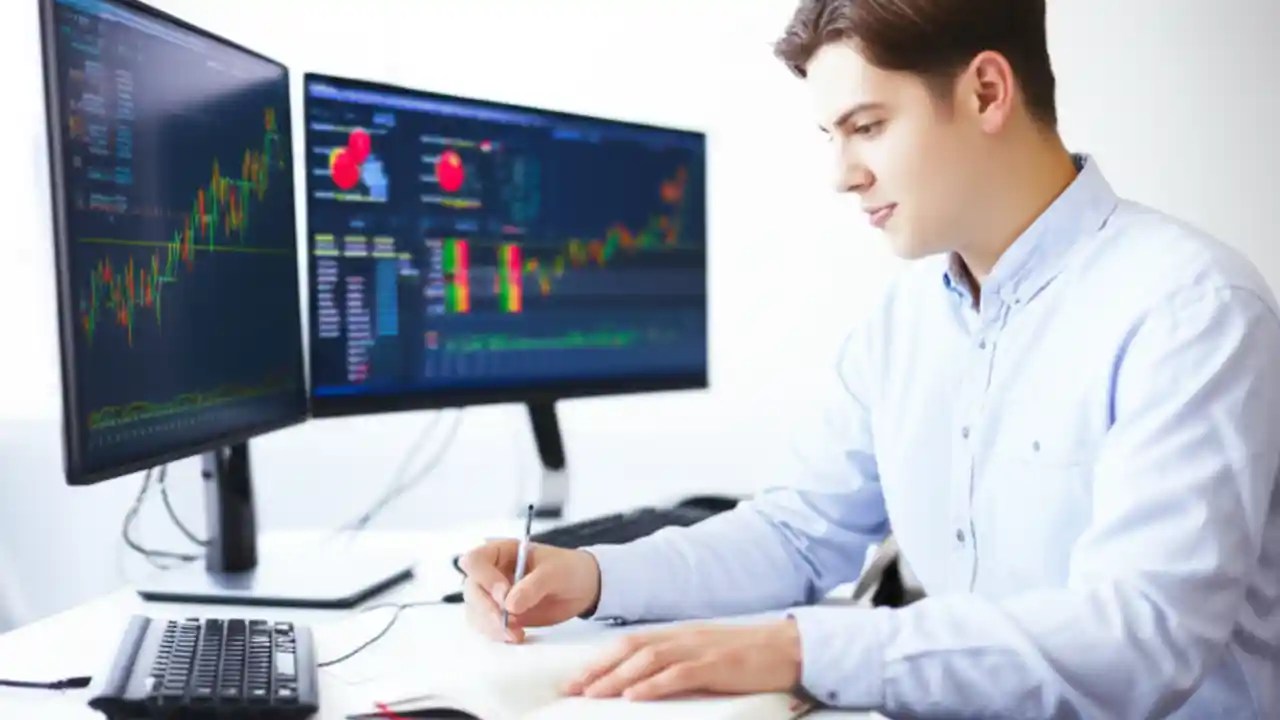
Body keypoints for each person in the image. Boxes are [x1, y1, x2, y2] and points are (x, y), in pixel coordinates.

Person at [458, 0, 1280, 716]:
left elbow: (1142, 637)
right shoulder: (906, 322)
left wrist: (807, 649)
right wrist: (596, 578)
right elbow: (798, 537)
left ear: (987, 91)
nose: (842, 175)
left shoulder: (1189, 310)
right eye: (831, 134)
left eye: (867, 126)